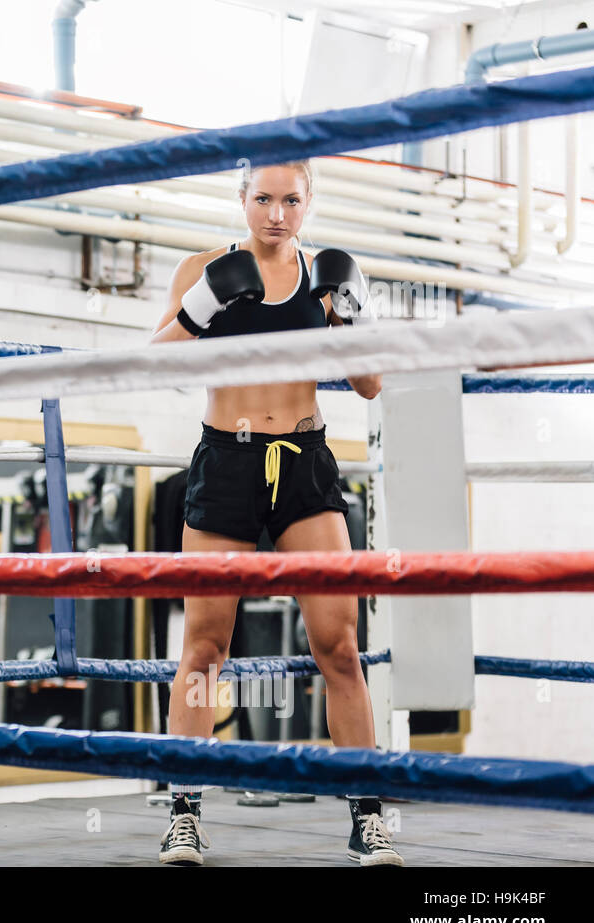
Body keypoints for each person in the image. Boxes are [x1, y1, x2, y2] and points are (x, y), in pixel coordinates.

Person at [148, 160, 403, 867]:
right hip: (226, 462)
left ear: (309, 202)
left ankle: (367, 814)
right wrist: (201, 308)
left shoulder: (329, 276)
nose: (276, 214)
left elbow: (372, 383)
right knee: (204, 647)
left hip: (304, 464)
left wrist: (354, 314)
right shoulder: (203, 268)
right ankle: (185, 813)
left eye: (291, 200)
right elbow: (156, 366)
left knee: (339, 645)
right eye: (263, 198)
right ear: (242, 200)